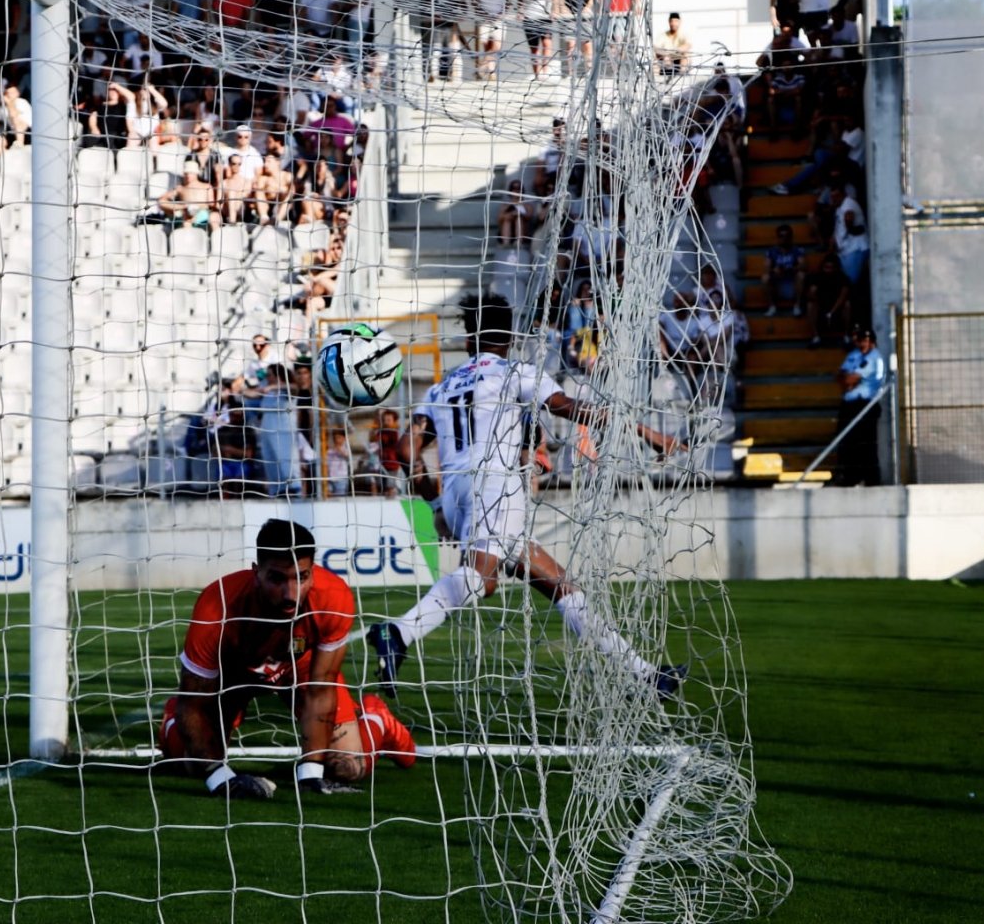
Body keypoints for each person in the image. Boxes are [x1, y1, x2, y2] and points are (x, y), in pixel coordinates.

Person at [367, 294, 685, 699]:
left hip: (459, 490)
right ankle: (398, 632)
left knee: (562, 587)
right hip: (496, 485)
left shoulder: (442, 386)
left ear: (469, 340)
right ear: (510, 338)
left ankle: (644, 676)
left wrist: (435, 507)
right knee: (483, 580)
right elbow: (568, 407)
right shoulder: (515, 371)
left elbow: (407, 451)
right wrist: (650, 434)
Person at [158, 519, 416, 798]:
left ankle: (376, 717)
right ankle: (170, 724)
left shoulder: (333, 598)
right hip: (232, 673)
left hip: (301, 667)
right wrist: (221, 779)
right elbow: (193, 704)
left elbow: (321, 688)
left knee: (348, 767)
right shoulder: (216, 606)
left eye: (301, 578)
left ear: (313, 573)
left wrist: (311, 772)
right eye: (277, 579)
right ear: (256, 572)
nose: (290, 594)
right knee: (194, 763)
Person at [834, 328, 885, 486]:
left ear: (872, 341)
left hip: (865, 404)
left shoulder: (875, 358)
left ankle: (870, 478)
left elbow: (850, 379)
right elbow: (840, 376)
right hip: (849, 403)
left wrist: (849, 381)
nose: (862, 342)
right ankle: (849, 476)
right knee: (847, 441)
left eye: (866, 339)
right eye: (860, 339)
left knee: (866, 443)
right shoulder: (854, 355)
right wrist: (847, 381)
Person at [761, 225, 805, 318]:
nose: (784, 239)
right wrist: (774, 270)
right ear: (777, 237)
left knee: (801, 275)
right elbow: (766, 267)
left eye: (787, 236)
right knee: (765, 278)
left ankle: (797, 306)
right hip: (778, 285)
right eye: (781, 236)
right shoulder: (771, 251)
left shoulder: (797, 250)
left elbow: (803, 265)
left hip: (792, 284)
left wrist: (792, 269)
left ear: (791, 237)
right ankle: (772, 306)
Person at [655, 12, 691, 77]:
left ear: (680, 22)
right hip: (665, 60)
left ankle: (681, 76)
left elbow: (688, 45)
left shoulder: (683, 34)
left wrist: (673, 52)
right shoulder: (663, 35)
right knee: (655, 57)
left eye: (676, 21)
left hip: (677, 58)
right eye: (672, 21)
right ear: (669, 22)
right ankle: (655, 78)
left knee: (686, 55)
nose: (673, 24)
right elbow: (656, 47)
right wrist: (665, 55)